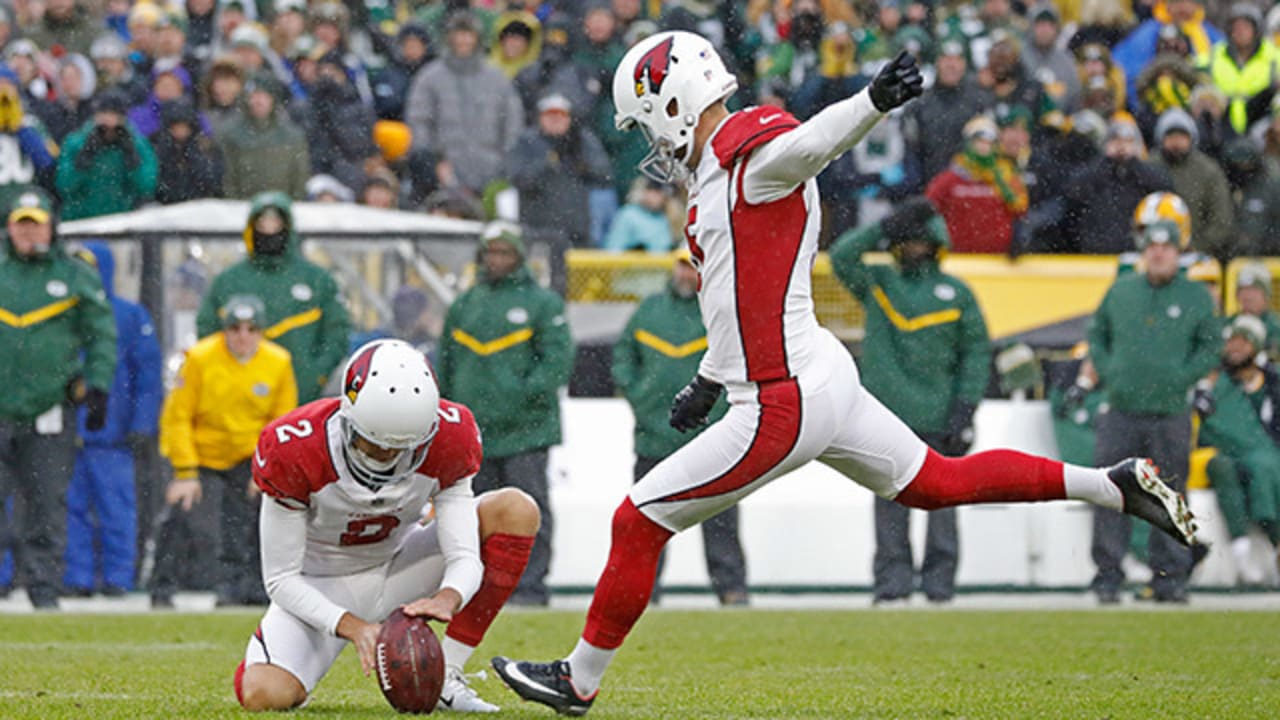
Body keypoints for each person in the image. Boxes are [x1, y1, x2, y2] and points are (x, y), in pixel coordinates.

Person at [491, 33, 1201, 716]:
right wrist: (710, 377)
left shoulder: (748, 157)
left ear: (674, 103)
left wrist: (872, 101)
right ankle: (1111, 485)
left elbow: (808, 146)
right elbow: (740, 291)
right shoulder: (722, 169)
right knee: (936, 482)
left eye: (650, 123)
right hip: (816, 370)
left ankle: (578, 681)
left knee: (637, 519)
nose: (652, 143)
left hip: (781, 397)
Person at [233, 339, 539, 714]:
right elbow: (281, 579)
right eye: (375, 445)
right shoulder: (295, 448)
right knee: (264, 695)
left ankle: (449, 673)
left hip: (402, 563)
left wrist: (449, 597)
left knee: (515, 509)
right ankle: (271, 659)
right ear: (348, 415)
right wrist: (352, 626)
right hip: (321, 582)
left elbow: (463, 555)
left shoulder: (450, 436)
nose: (390, 457)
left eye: (404, 447)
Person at [830, 197, 991, 605]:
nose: (914, 247)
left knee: (941, 505)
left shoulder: (957, 293)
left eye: (921, 240)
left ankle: (940, 587)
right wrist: (885, 223)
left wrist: (966, 408)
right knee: (890, 505)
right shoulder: (880, 283)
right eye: (907, 239)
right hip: (885, 417)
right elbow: (840, 257)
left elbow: (975, 354)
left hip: (939, 417)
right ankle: (892, 586)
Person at [1059, 196, 1219, 604]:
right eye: (1153, 247)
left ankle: (1170, 577)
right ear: (1145, 251)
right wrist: (1108, 371)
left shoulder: (1198, 297)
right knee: (1110, 492)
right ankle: (1108, 575)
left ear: (1178, 252)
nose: (1160, 253)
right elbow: (1097, 336)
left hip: (1169, 411)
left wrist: (1184, 376)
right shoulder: (1121, 291)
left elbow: (1209, 347)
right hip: (1122, 410)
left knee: (1170, 496)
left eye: (1166, 246)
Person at [436, 222, 574, 606]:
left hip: (527, 431)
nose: (496, 260)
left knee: (529, 510)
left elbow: (558, 362)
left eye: (504, 253)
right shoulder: (465, 304)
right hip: (476, 434)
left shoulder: (542, 303)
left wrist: (521, 393)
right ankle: (479, 586)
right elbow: (445, 362)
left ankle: (531, 586)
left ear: (518, 258)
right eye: (490, 252)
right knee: (474, 516)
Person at [0, 187, 116, 609]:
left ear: (52, 227)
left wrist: (98, 385)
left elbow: (102, 333)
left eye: (37, 224)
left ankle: (44, 590)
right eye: (21, 225)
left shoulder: (73, 275)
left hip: (49, 410)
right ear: (9, 228)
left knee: (47, 504)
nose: (29, 234)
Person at [611, 249, 747, 606]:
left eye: (694, 268)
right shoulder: (649, 310)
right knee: (646, 521)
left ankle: (732, 589)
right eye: (683, 265)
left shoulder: (720, 312)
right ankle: (642, 592)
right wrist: (640, 397)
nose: (687, 274)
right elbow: (623, 358)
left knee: (720, 521)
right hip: (653, 436)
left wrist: (720, 416)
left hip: (711, 439)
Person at [155, 295, 297, 607]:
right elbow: (177, 417)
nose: (243, 336)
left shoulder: (278, 362)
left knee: (260, 513)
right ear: (224, 331)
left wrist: (266, 470)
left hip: (250, 454)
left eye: (251, 329)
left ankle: (248, 587)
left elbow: (282, 423)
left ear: (261, 332)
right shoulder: (199, 358)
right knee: (180, 513)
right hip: (203, 452)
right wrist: (184, 472)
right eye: (235, 328)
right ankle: (161, 588)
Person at [62, 242, 163, 598]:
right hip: (65, 435)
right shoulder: (61, 311)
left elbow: (148, 376)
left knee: (116, 508)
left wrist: (141, 424)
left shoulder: (129, 316)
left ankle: (118, 578)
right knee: (70, 509)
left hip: (113, 435)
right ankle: (77, 577)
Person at [196, 192, 351, 404]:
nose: (269, 230)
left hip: (300, 398)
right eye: (262, 223)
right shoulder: (228, 280)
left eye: (275, 222)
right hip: (235, 404)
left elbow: (337, 332)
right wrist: (223, 375)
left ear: (287, 226)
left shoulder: (317, 280)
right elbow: (207, 330)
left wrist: (316, 375)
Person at [1197, 315, 1280, 585]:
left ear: (1256, 347)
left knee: (1264, 467)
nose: (1234, 347)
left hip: (1260, 453)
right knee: (1229, 468)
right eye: (1232, 340)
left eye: (1243, 342)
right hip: (1218, 450)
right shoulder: (1213, 379)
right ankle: (1244, 558)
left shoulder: (1271, 382)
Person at [506, 92, 611, 294]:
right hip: (538, 234)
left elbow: (603, 174)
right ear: (540, 118)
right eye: (550, 115)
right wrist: (547, 162)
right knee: (539, 290)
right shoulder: (527, 142)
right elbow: (518, 178)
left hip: (575, 233)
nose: (556, 121)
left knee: (578, 294)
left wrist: (580, 159)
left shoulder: (581, 140)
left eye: (561, 116)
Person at [55, 89, 159, 220]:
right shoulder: (76, 142)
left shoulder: (138, 144)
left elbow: (147, 186)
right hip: (81, 221)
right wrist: (83, 160)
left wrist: (132, 160)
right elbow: (64, 186)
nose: (109, 121)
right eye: (105, 114)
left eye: (115, 115)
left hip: (121, 222)